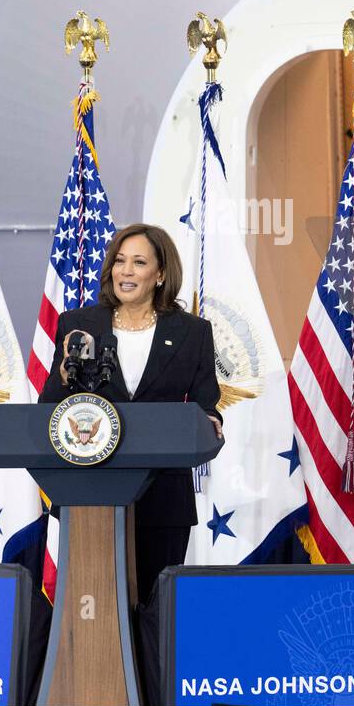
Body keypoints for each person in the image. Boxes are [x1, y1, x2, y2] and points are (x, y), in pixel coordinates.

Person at [39, 222, 223, 604]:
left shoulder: (192, 332)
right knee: (94, 607)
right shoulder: (79, 325)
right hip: (90, 492)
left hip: (164, 496)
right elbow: (51, 407)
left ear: (160, 274)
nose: (126, 271)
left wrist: (211, 425)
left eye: (139, 262)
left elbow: (207, 406)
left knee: (156, 610)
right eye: (120, 261)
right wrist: (61, 376)